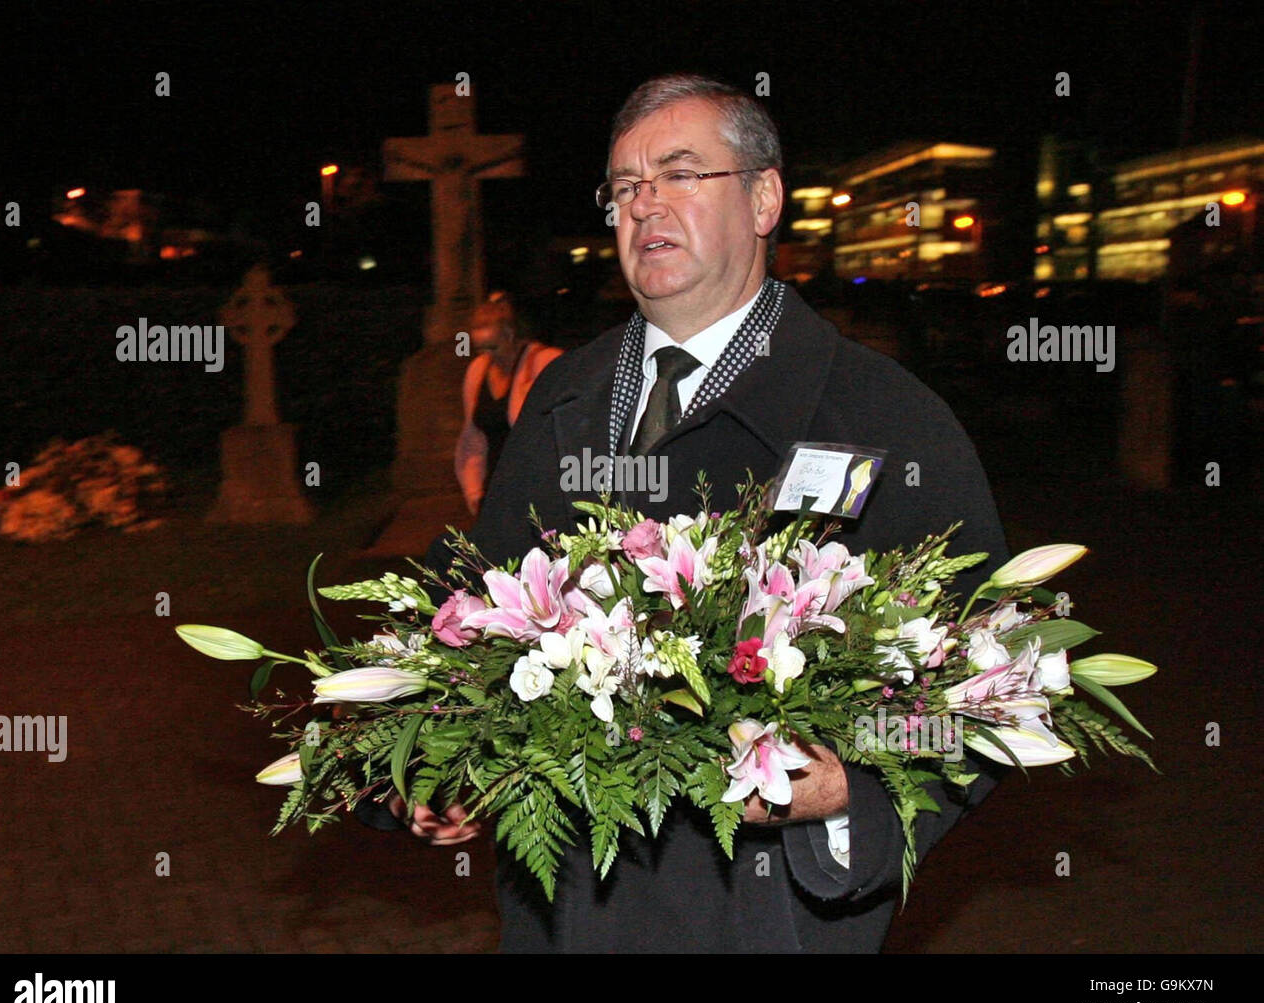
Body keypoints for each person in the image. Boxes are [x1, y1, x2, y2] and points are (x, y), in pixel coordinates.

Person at [359, 74, 1011, 953]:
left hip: (767, 921)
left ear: (764, 197)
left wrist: (844, 788)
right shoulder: (563, 398)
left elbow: (981, 695)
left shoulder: (880, 416)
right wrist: (428, 761)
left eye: (678, 173)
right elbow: (477, 608)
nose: (645, 205)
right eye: (624, 187)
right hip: (566, 922)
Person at [455, 291, 563, 514]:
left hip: (541, 491)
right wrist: (474, 493)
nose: (488, 356)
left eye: (492, 347)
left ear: (509, 333)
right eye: (481, 348)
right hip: (495, 492)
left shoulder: (545, 362)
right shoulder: (477, 370)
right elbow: (472, 439)